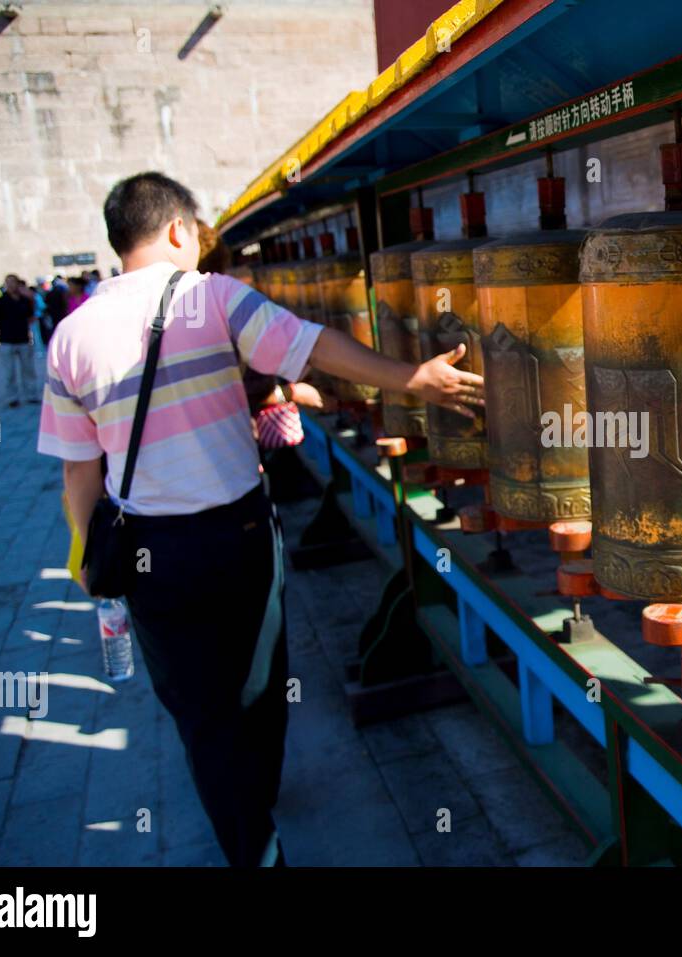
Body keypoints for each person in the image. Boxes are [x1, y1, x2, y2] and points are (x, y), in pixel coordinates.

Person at [38, 171, 482, 867]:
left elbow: (77, 470)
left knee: (201, 717)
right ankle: (259, 791)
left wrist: (91, 562)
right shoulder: (214, 298)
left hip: (153, 557)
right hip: (239, 537)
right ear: (179, 230)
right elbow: (312, 346)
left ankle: (253, 848)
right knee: (263, 684)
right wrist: (410, 379)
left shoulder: (69, 338)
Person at [0, 274, 39, 406]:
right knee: (10, 372)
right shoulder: (0, 302)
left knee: (28, 370)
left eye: (13, 282)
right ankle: (12, 397)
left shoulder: (25, 301)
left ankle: (31, 394)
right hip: (7, 340)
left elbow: (31, 316)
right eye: (8, 283)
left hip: (23, 339)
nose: (11, 285)